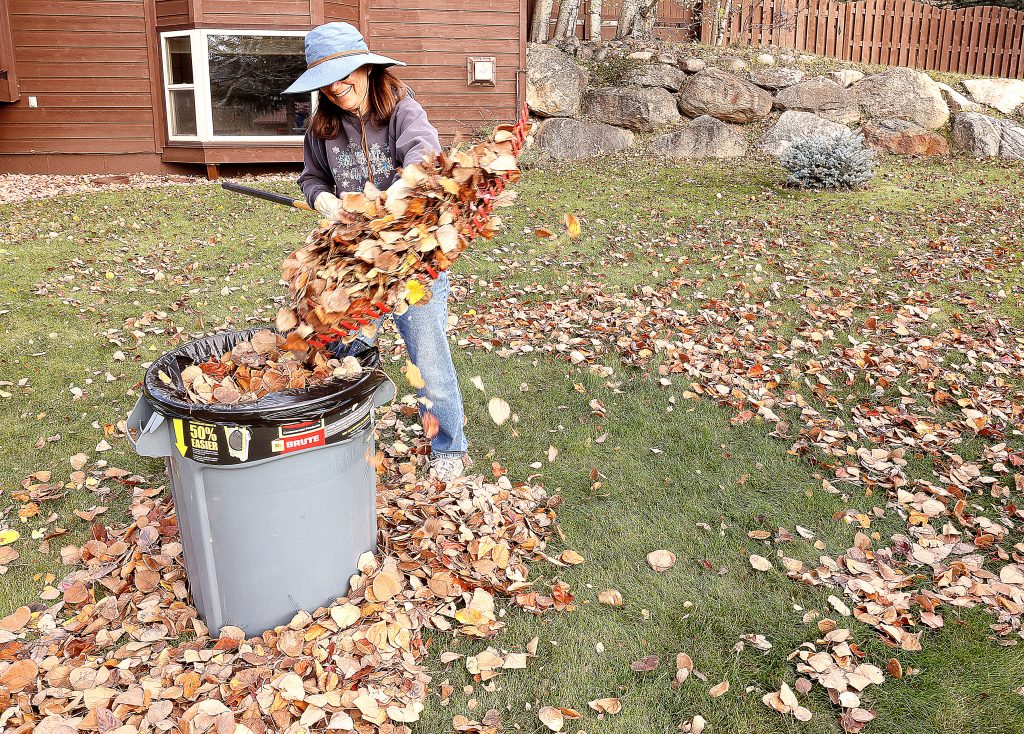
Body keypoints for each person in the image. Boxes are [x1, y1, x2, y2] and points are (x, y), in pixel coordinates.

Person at [284, 22, 469, 481]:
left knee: (426, 356)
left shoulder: (403, 110)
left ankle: (449, 446)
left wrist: (398, 192)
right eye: (325, 80)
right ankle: (345, 431)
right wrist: (321, 199)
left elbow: (423, 157)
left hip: (413, 260)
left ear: (367, 67)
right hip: (356, 260)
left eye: (344, 74)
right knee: (343, 344)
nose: (336, 87)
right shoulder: (322, 125)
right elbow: (312, 177)